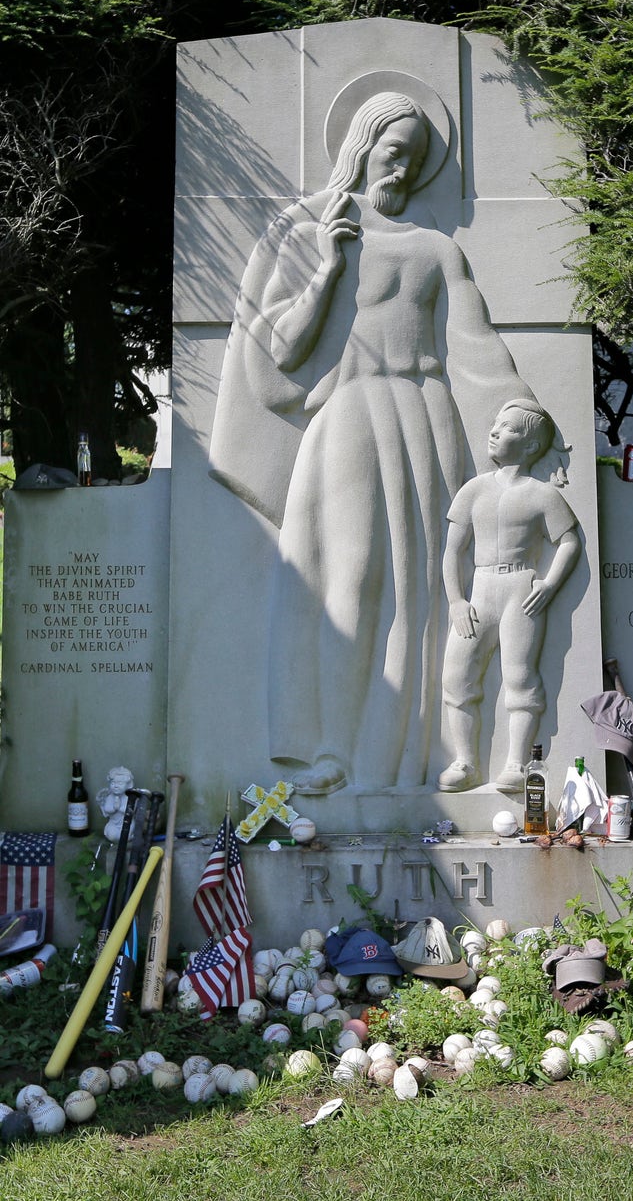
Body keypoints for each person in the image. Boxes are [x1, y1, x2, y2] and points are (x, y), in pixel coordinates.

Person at [210, 89, 534, 794]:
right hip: (350, 417)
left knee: (420, 589)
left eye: (415, 159)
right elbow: (282, 351)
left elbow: (476, 347)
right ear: (361, 148)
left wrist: (521, 411)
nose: (404, 170)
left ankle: (403, 754)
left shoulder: (438, 250)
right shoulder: (309, 232)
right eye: (394, 153)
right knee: (349, 576)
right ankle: (331, 748)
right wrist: (327, 268)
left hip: (426, 418)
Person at [439, 400, 581, 794]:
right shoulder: (474, 490)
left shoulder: (542, 494)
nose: (495, 432)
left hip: (521, 590)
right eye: (496, 424)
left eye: (509, 428)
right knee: (457, 676)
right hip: (481, 590)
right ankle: (465, 762)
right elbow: (453, 551)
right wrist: (456, 600)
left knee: (519, 676)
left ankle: (517, 764)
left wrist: (549, 585)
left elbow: (568, 542)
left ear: (531, 445)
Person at [96, 765, 134, 842]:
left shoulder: (129, 798)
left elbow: (131, 811)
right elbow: (106, 809)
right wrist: (114, 808)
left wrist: (119, 808)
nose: (116, 786)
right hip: (113, 823)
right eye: (113, 783)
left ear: (128, 785)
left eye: (120, 783)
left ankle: (127, 838)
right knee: (112, 835)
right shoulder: (110, 797)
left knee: (127, 834)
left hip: (127, 823)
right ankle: (116, 838)